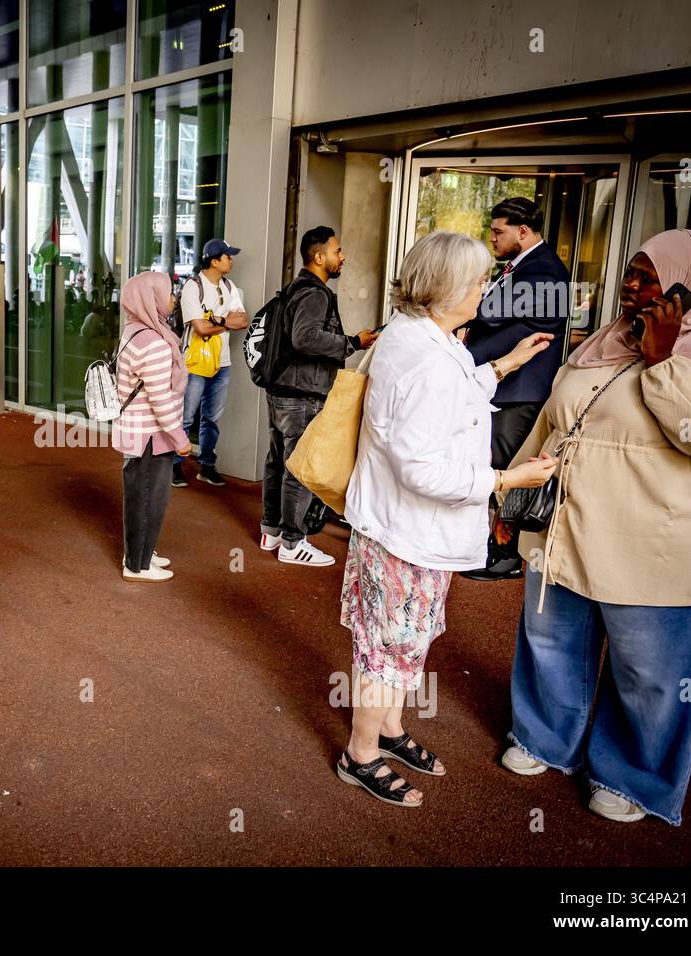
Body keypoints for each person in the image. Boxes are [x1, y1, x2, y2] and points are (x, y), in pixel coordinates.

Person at [502, 229, 691, 826]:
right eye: (630, 273)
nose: (632, 288)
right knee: (550, 643)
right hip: (568, 527)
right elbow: (556, 420)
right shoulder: (603, 341)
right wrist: (508, 494)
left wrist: (665, 360)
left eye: (648, 277)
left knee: (651, 670)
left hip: (656, 543)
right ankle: (545, 739)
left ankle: (631, 774)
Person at [335, 230, 556, 807]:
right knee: (385, 648)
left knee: (404, 643)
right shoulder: (424, 355)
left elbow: (452, 394)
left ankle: (387, 729)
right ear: (446, 287)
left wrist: (504, 364)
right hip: (404, 531)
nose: (487, 288)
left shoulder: (422, 336)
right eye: (479, 280)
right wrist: (508, 481)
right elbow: (423, 470)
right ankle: (360, 754)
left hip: (408, 530)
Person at [460, 197, 572, 580]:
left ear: (523, 232)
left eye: (498, 231)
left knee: (507, 470)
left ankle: (505, 556)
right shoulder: (526, 266)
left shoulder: (543, 270)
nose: (492, 238)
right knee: (500, 467)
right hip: (509, 386)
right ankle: (495, 549)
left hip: (520, 389)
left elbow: (488, 313)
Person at [261, 226, 378, 567]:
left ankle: (272, 531)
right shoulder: (316, 294)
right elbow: (305, 338)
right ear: (319, 256)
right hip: (303, 393)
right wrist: (352, 342)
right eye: (337, 251)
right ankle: (293, 543)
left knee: (277, 462)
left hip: (281, 389)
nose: (342, 257)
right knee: (300, 467)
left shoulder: (293, 288)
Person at [113, 271, 193, 582]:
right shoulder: (156, 344)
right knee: (148, 499)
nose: (173, 299)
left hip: (137, 431)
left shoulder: (134, 331)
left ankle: (143, 554)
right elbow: (160, 399)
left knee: (140, 497)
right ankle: (137, 565)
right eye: (169, 294)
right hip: (151, 436)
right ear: (152, 298)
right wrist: (180, 438)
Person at [172, 238, 248, 488]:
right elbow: (200, 328)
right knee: (185, 417)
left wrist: (216, 320)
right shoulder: (193, 287)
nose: (231, 259)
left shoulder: (230, 287)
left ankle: (207, 466)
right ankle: (174, 466)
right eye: (227, 256)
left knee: (211, 418)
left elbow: (244, 321)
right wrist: (225, 321)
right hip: (194, 363)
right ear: (214, 261)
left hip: (221, 363)